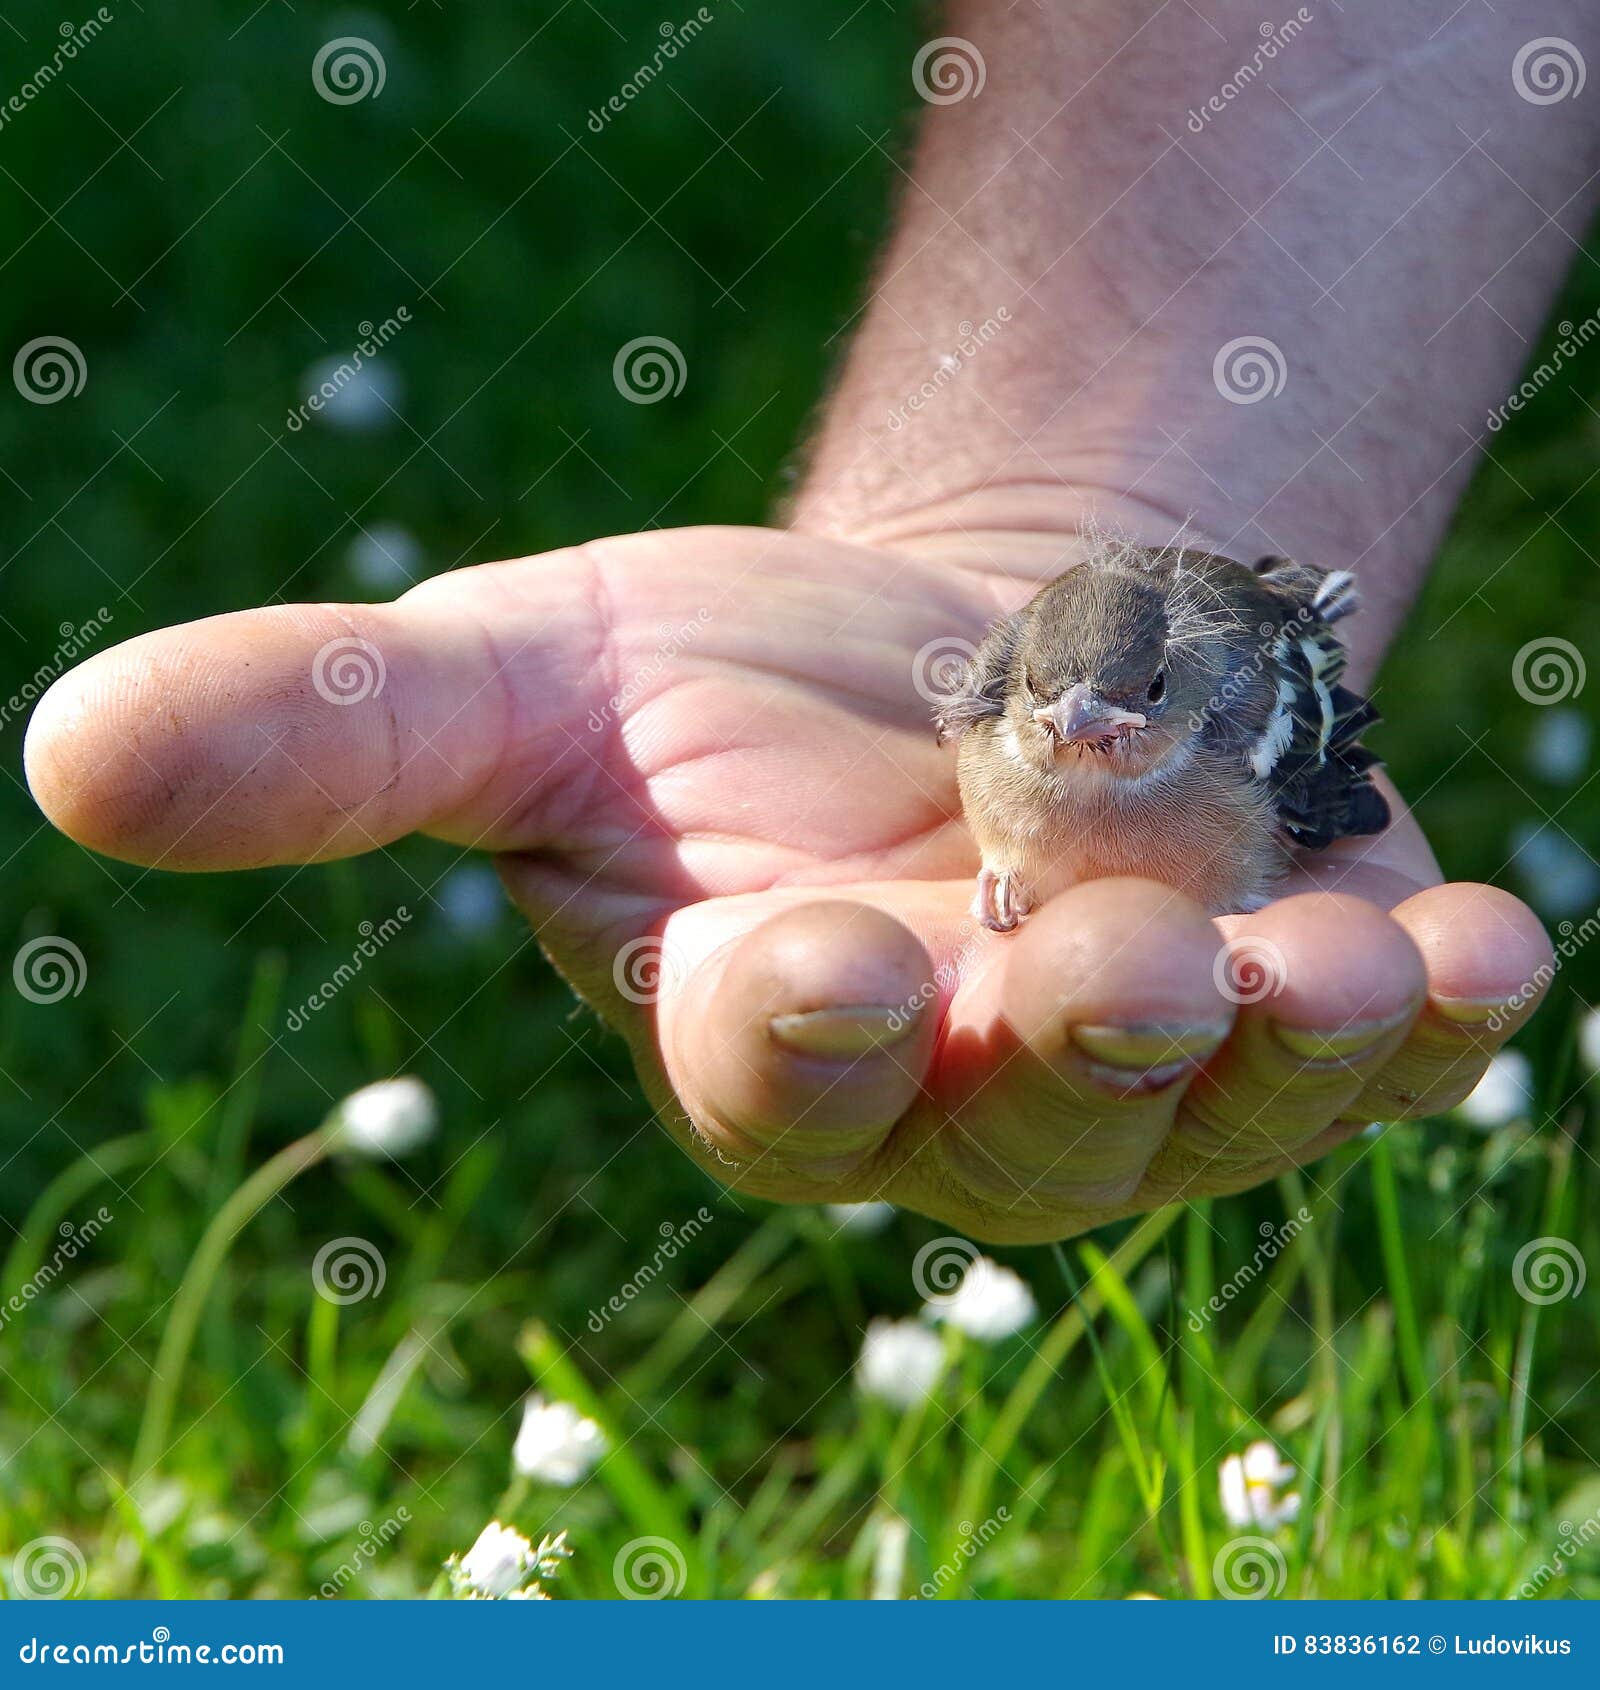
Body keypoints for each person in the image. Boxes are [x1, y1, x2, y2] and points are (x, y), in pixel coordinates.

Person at [24, 4, 1588, 1241]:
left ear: (1191, 698)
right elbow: (1037, 706)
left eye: (1124, 710)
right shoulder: (1014, 712)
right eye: (1046, 710)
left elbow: (1290, 750)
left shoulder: (1247, 720)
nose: (1076, 736)